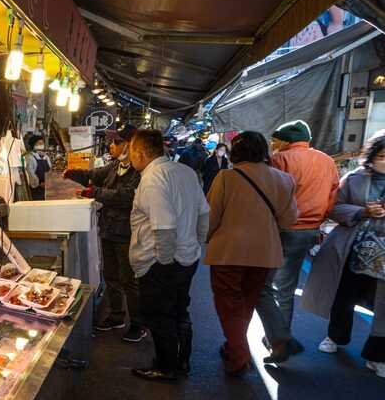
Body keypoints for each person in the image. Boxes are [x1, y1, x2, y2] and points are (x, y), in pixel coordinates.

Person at [204, 132, 298, 376]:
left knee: (228, 303)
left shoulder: (226, 177)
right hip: (265, 254)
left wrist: (202, 239)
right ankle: (235, 346)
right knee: (246, 302)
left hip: (229, 253)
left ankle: (239, 355)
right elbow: (289, 220)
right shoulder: (285, 180)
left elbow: (211, 217)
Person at [127, 129, 210, 381]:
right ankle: (181, 361)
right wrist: (197, 242)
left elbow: (164, 226)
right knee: (179, 310)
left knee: (160, 315)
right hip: (187, 257)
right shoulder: (185, 171)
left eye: (131, 152)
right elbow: (204, 213)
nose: (130, 158)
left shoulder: (153, 178)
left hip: (161, 261)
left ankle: (165, 367)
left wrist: (164, 262)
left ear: (140, 153)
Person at [302, 130, 385, 377]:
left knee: (383, 306)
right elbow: (334, 208)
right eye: (381, 154)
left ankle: (377, 356)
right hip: (352, 248)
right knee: (344, 295)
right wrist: (362, 212)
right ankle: (335, 336)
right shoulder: (354, 178)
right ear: (372, 155)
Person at [256, 120, 339, 363]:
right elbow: (334, 195)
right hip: (311, 231)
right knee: (286, 285)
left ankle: (280, 340)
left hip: (282, 230)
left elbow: (269, 194)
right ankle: (277, 337)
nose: (272, 144)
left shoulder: (280, 160)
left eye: (275, 140)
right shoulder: (327, 161)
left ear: (285, 140)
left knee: (265, 287)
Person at [63, 127, 146, 342]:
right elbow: (94, 175)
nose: (111, 145)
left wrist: (95, 192)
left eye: (116, 142)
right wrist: (73, 173)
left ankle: (138, 324)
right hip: (108, 230)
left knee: (129, 280)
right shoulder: (115, 166)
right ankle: (117, 316)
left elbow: (126, 196)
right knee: (111, 276)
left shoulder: (139, 172)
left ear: (128, 146)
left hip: (127, 233)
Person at [24, 134, 51, 201]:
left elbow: (50, 171)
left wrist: (50, 182)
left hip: (47, 190)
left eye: (42, 143)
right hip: (36, 191)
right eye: (39, 143)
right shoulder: (30, 157)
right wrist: (39, 184)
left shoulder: (46, 157)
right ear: (34, 145)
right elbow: (30, 174)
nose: (42, 145)